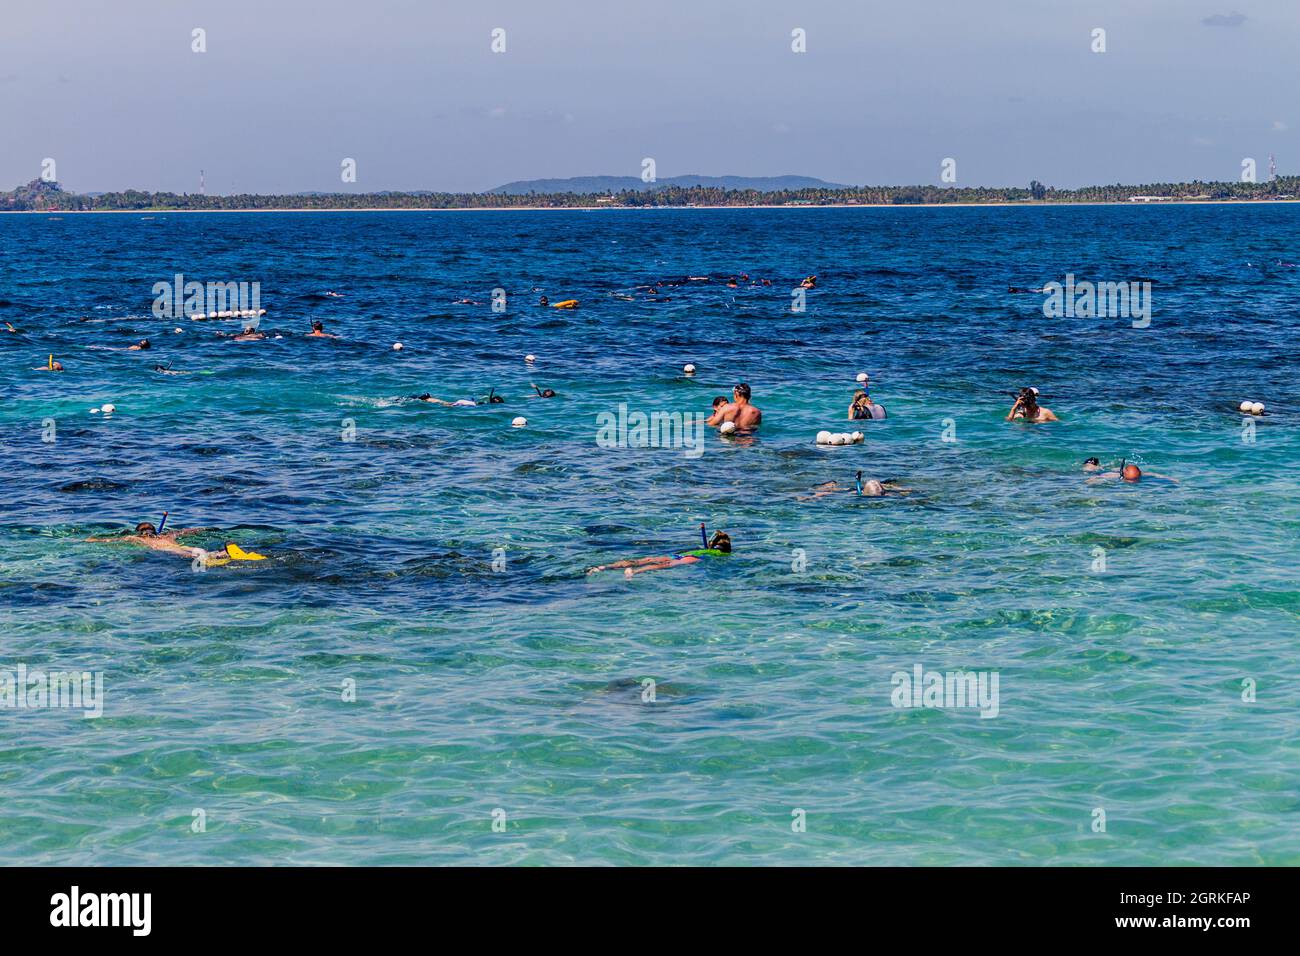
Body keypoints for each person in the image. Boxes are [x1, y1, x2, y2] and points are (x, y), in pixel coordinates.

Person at [86, 522, 265, 562]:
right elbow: (186, 531)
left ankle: (220, 556)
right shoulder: (166, 536)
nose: (147, 532)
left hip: (176, 551)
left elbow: (114, 539)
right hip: (183, 548)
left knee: (194, 555)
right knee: (196, 552)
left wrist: (94, 540)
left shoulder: (137, 538)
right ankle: (223, 554)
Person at [587, 531, 732, 579]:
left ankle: (604, 567)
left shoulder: (704, 548)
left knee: (646, 560)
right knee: (665, 566)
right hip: (692, 558)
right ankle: (634, 572)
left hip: (679, 554)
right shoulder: (722, 554)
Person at [1087, 462, 1179, 484]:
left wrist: (1170, 478)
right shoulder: (1114, 475)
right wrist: (1091, 480)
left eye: (1135, 479)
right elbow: (1101, 476)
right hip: (1102, 471)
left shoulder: (1142, 474)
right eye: (1130, 479)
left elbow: (1155, 474)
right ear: (1124, 474)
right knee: (1092, 465)